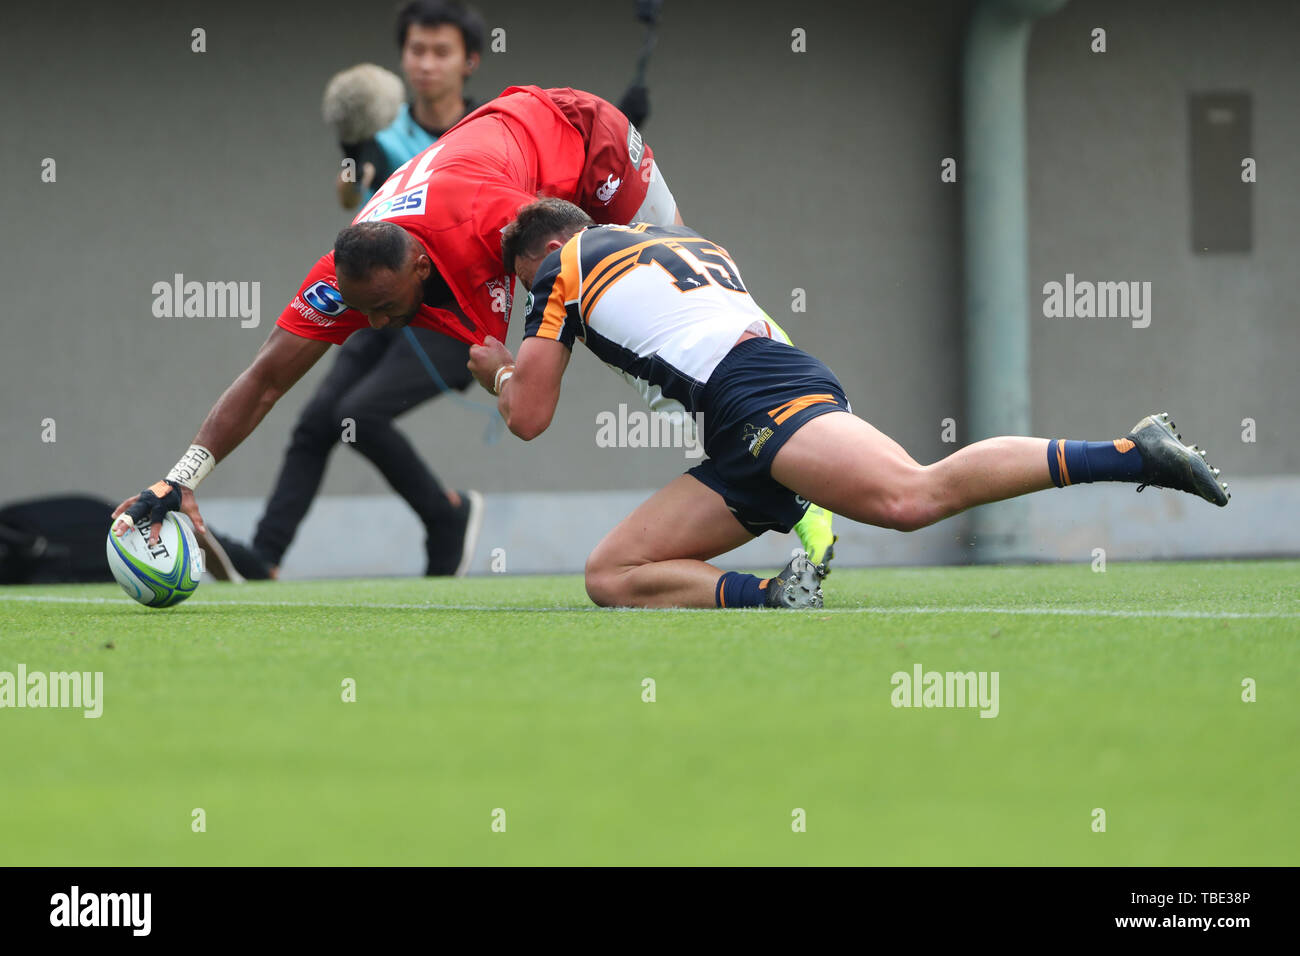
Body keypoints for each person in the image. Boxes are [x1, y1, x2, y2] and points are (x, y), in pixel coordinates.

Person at [458, 198, 1231, 609]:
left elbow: (528, 415)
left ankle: (1132, 454)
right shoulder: (685, 239)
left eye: (523, 281)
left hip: (756, 391)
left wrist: (498, 371)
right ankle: (772, 594)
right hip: (753, 400)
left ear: (539, 254)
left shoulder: (562, 265)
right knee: (614, 572)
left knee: (909, 496)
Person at [109, 86, 716, 559]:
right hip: (504, 149)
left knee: (676, 299)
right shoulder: (344, 276)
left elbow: (533, 406)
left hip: (584, 137)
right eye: (361, 308)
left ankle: (770, 406)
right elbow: (266, 378)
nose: (371, 324)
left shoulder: (498, 228)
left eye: (382, 305)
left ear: (423, 266)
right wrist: (177, 479)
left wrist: (509, 377)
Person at [251, 0, 488, 578]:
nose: (426, 63)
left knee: (358, 414)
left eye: (441, 52)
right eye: (416, 50)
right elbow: (348, 196)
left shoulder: (486, 131)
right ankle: (262, 560)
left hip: (451, 315)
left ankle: (446, 515)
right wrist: (354, 158)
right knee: (315, 423)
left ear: (470, 62)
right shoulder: (383, 132)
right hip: (381, 309)